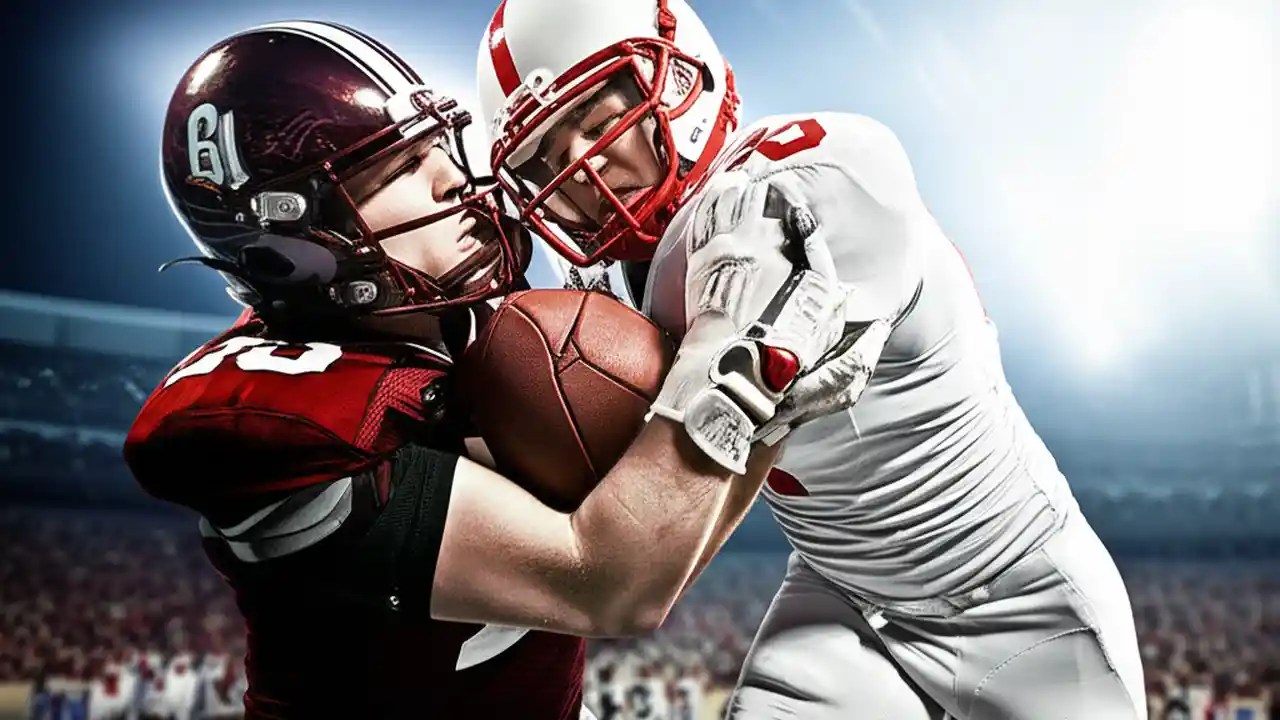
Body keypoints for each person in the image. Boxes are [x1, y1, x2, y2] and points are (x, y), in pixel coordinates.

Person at [124, 20, 858, 720]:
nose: (456, 180)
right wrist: (745, 383)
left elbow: (664, 529)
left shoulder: (468, 312)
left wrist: (764, 405)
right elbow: (608, 582)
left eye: (436, 146)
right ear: (292, 247)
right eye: (400, 168)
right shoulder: (276, 423)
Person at [475, 1, 1148, 718]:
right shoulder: (607, 284)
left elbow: (634, 570)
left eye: (598, 120)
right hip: (841, 596)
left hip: (1020, 592)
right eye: (550, 158)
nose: (582, 169)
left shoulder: (810, 182)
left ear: (676, 82)